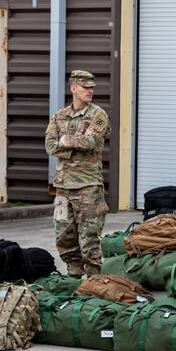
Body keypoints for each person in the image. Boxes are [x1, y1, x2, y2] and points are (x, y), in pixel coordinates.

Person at [44, 69, 110, 277]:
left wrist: (65, 141)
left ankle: (93, 279)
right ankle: (73, 276)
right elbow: (50, 146)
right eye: (85, 87)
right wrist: (75, 140)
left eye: (92, 87)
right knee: (63, 235)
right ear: (73, 88)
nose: (90, 91)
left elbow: (91, 142)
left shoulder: (98, 115)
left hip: (87, 185)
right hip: (63, 187)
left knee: (89, 236)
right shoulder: (59, 116)